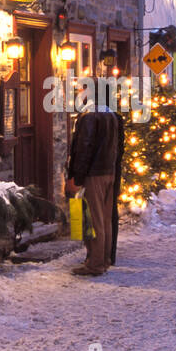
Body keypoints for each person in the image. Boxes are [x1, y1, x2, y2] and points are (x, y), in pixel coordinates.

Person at [65, 104, 125, 276]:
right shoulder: (112, 115)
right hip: (109, 172)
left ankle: (95, 263)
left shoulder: (90, 116)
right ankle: (104, 259)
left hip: (93, 173)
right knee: (105, 220)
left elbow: (84, 148)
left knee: (93, 219)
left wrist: (77, 177)